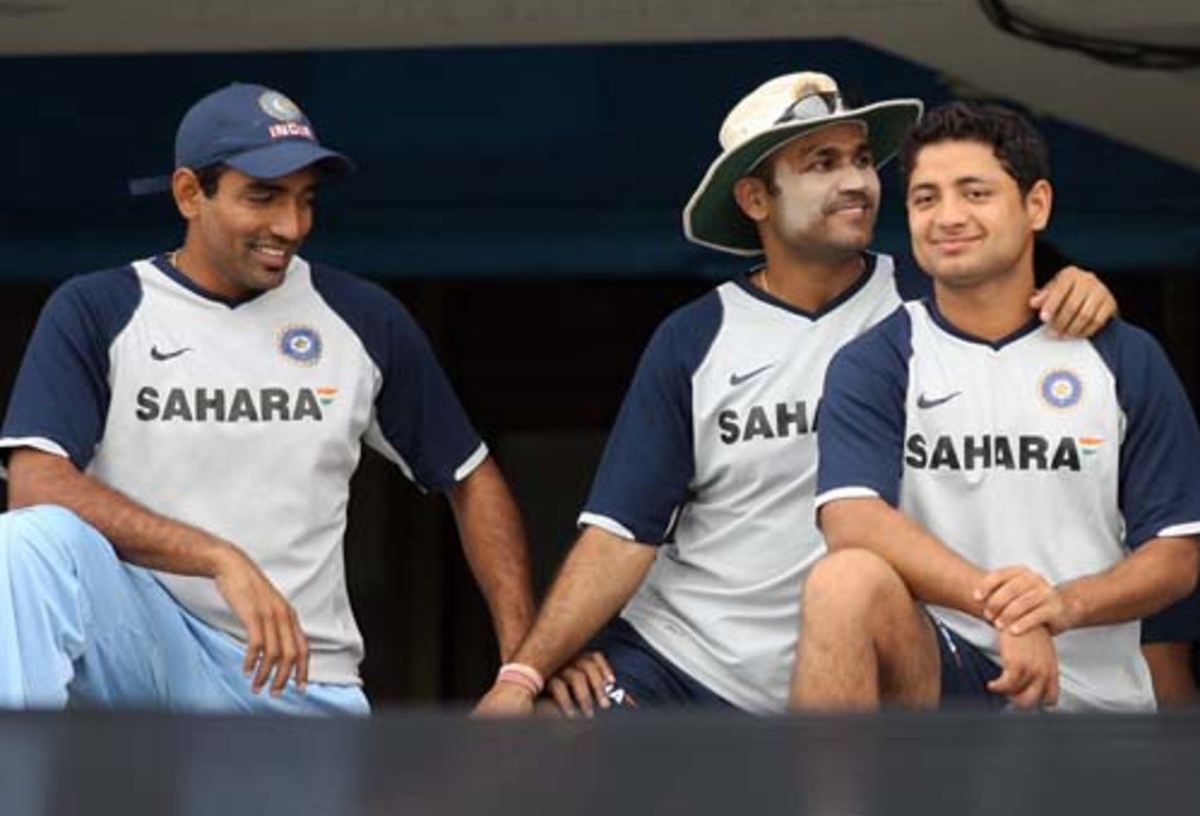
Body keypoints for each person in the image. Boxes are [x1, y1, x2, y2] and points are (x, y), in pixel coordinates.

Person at [475, 72, 1116, 716]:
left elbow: (1023, 303)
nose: (857, 182)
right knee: (532, 744)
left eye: (863, 160)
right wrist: (524, 675)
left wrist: (1076, 286)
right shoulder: (695, 336)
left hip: (871, 657)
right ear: (755, 197)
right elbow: (621, 534)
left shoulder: (932, 303)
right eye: (823, 163)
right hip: (681, 657)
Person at [0, 83, 534, 713]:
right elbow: (36, 485)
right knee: (26, 543)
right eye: (264, 196)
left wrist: (522, 668)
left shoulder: (361, 317)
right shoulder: (100, 307)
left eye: (305, 201)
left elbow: (470, 477)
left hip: (296, 678)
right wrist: (217, 558)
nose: (291, 226)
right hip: (148, 647)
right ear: (189, 194)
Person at [790, 101, 1200, 712]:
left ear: (1036, 205)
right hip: (948, 675)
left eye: (975, 192)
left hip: (1089, 698)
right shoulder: (877, 359)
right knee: (842, 580)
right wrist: (1007, 607)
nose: (948, 216)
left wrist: (1061, 605)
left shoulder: (1124, 356)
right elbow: (852, 520)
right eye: (926, 199)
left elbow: (1176, 554)